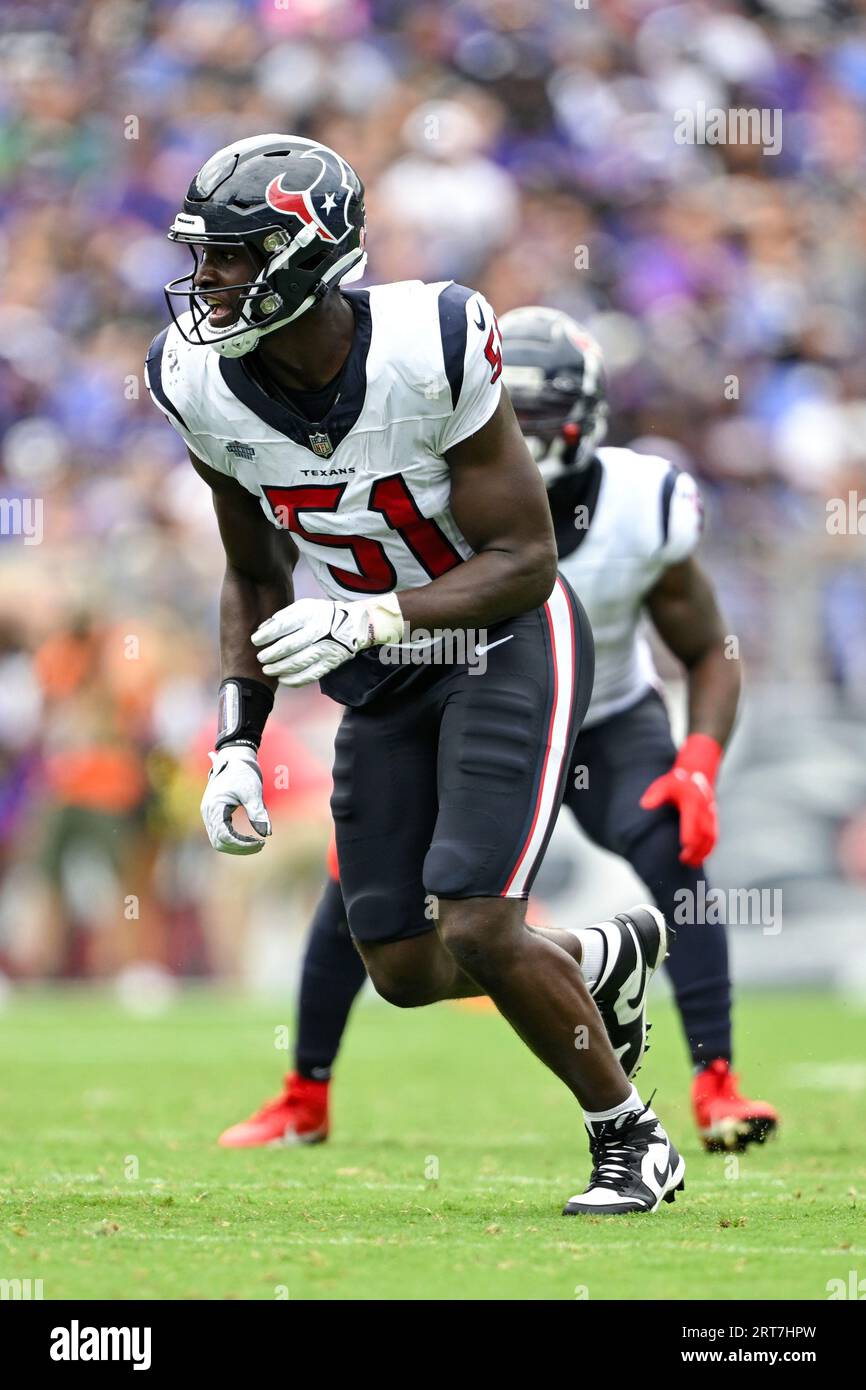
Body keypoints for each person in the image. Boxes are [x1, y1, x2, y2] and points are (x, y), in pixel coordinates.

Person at [146, 134, 685, 1216]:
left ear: (307, 255)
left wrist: (374, 611)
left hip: (502, 639)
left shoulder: (429, 342)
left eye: (235, 256)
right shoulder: (198, 383)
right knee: (399, 964)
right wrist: (237, 743)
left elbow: (524, 560)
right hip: (380, 673)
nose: (206, 279)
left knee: (481, 922)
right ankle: (594, 955)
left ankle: (629, 1138)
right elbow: (251, 574)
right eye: (202, 255)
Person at [219, 304, 777, 1158]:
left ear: (588, 421)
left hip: (606, 721)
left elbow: (709, 648)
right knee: (369, 904)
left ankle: (716, 1082)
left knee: (673, 849)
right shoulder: (435, 482)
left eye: (543, 418)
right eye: (512, 416)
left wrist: (698, 759)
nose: (527, 436)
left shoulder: (639, 500)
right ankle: (305, 1092)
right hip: (466, 706)